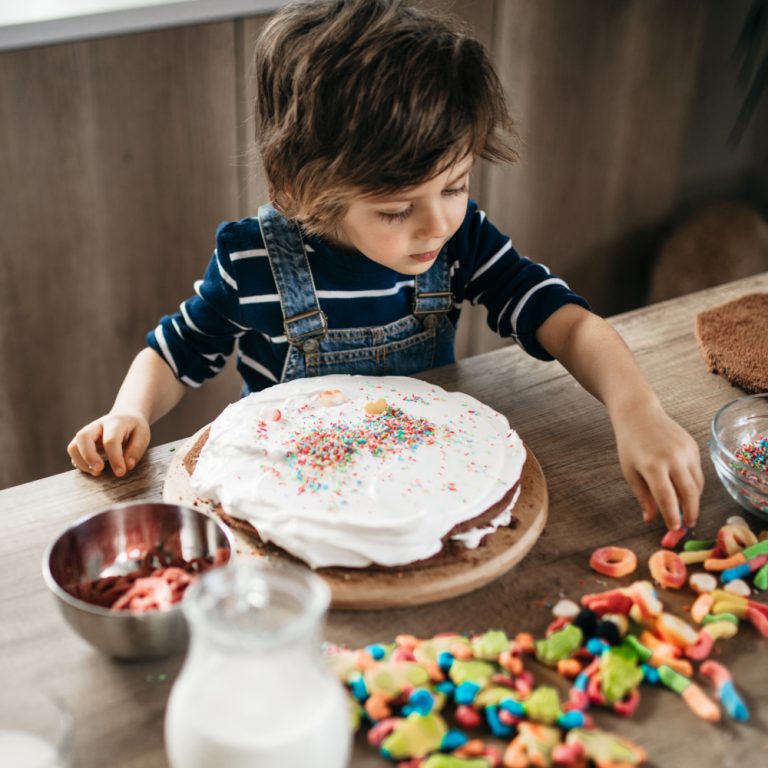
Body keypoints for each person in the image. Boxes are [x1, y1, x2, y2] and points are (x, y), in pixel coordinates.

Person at [68, 0, 703, 531]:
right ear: (302, 190)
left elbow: (567, 323)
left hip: (421, 493)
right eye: (397, 209)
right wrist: (130, 412)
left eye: (454, 185)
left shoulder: (460, 244)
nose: (436, 224)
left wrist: (636, 409)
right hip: (283, 502)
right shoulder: (253, 264)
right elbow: (173, 354)